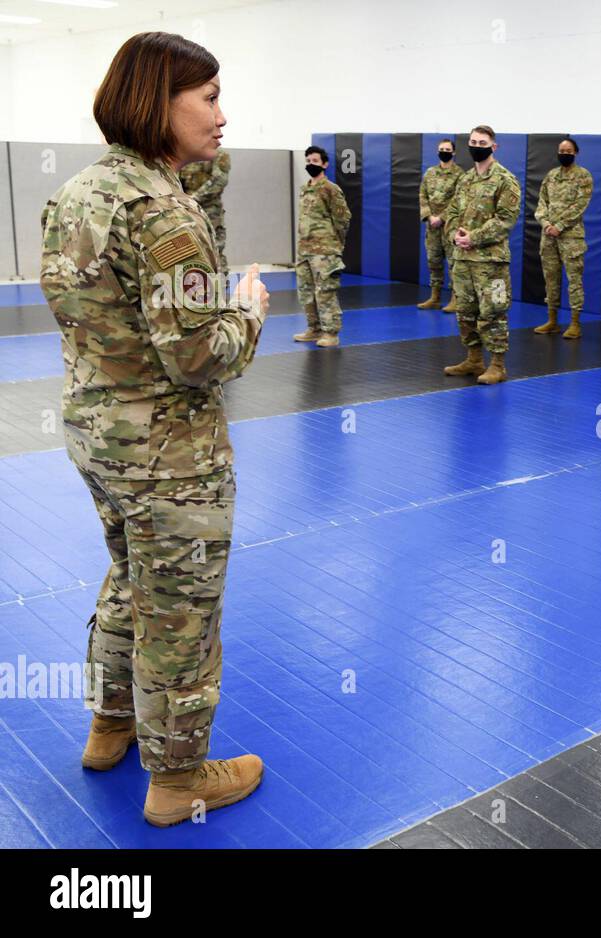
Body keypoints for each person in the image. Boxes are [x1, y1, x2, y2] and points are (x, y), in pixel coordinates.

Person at [40, 31, 268, 827]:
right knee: (181, 610)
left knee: (130, 581)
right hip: (169, 455)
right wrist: (248, 314)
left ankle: (110, 726)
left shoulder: (77, 194)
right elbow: (199, 356)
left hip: (98, 435)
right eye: (207, 98)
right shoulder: (168, 214)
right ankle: (178, 781)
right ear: (158, 102)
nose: (221, 115)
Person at [442, 124, 521, 384]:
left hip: (492, 262)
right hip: (463, 260)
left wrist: (473, 238)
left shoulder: (505, 180)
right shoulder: (465, 179)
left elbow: (506, 220)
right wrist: (454, 234)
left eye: (482, 143)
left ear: (493, 146)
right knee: (465, 311)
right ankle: (474, 359)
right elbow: (452, 212)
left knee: (494, 312)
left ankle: (498, 365)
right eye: (473, 143)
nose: (476, 147)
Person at [292, 145, 352, 347]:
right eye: (308, 161)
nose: (311, 164)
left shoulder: (330, 189)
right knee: (306, 292)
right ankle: (313, 329)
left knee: (325, 291)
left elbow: (343, 219)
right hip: (304, 250)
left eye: (315, 161)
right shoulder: (305, 188)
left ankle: (331, 333)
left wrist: (335, 244)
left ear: (324, 164)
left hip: (325, 251)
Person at [534, 135, 593, 339]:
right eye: (561, 151)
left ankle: (575, 323)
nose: (564, 154)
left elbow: (580, 205)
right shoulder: (551, 176)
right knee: (550, 279)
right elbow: (541, 202)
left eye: (568, 152)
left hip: (571, 237)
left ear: (575, 153)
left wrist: (560, 225)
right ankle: (552, 321)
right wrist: (546, 224)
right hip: (548, 236)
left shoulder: (583, 176)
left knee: (574, 280)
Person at [416, 138, 464, 311]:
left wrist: (442, 217)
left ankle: (455, 299)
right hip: (432, 227)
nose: (444, 151)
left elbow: (458, 200)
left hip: (450, 226)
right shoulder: (430, 173)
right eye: (441, 149)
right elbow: (423, 195)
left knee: (454, 262)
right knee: (433, 261)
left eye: (447, 149)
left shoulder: (460, 174)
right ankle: (435, 298)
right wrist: (429, 216)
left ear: (454, 152)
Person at [178, 148, 230, 271]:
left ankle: (222, 286)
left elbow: (219, 180)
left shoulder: (219, 154)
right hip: (186, 211)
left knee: (215, 250)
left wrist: (192, 199)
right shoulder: (186, 154)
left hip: (210, 211)